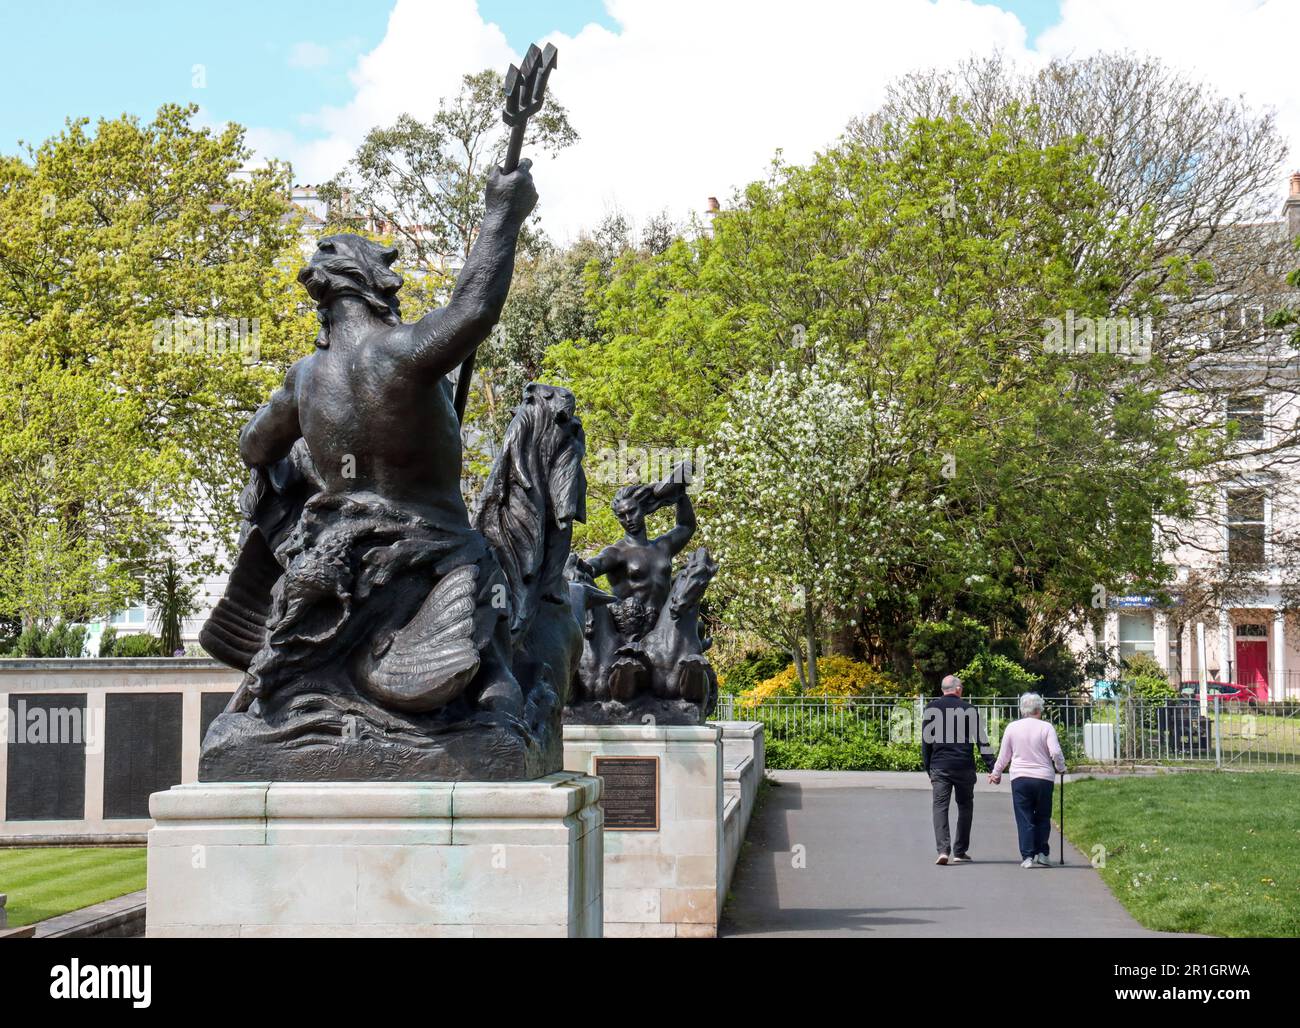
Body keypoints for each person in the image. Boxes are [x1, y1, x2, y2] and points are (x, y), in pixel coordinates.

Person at [921, 674, 996, 865]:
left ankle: (943, 850)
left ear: (942, 690)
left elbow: (926, 742)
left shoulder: (931, 708)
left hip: (940, 765)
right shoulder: (969, 709)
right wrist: (992, 766)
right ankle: (960, 850)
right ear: (957, 689)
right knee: (965, 807)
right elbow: (981, 739)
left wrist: (929, 768)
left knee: (940, 807)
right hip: (963, 766)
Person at [988, 692, 1066, 868]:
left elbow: (1004, 755)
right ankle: (1043, 853)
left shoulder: (1012, 727)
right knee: (1043, 816)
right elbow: (1055, 752)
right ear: (1039, 709)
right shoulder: (1046, 728)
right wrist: (1061, 768)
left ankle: (1028, 856)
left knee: (1025, 817)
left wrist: (996, 772)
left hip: (1020, 778)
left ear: (1023, 709)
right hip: (1044, 778)